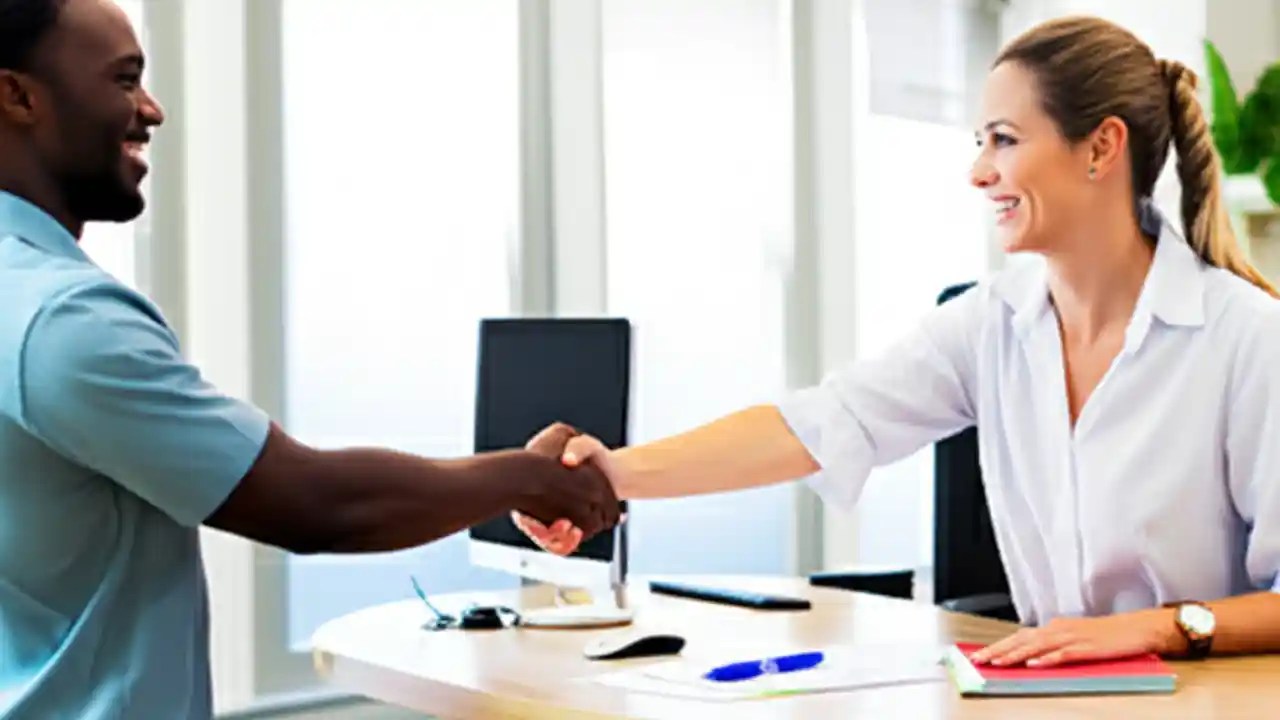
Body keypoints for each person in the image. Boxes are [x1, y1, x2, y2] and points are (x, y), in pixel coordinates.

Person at [519, 15, 1280, 666]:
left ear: (1100, 148)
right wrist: (611, 475)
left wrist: (1154, 628)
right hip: (1063, 699)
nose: (980, 172)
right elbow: (822, 424)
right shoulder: (993, 323)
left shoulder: (1245, 340)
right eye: (981, 141)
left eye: (1005, 140)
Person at [0, 0, 619, 717]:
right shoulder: (64, 321)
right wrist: (526, 478)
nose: (152, 110)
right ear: (17, 95)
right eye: (124, 80)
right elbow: (320, 505)